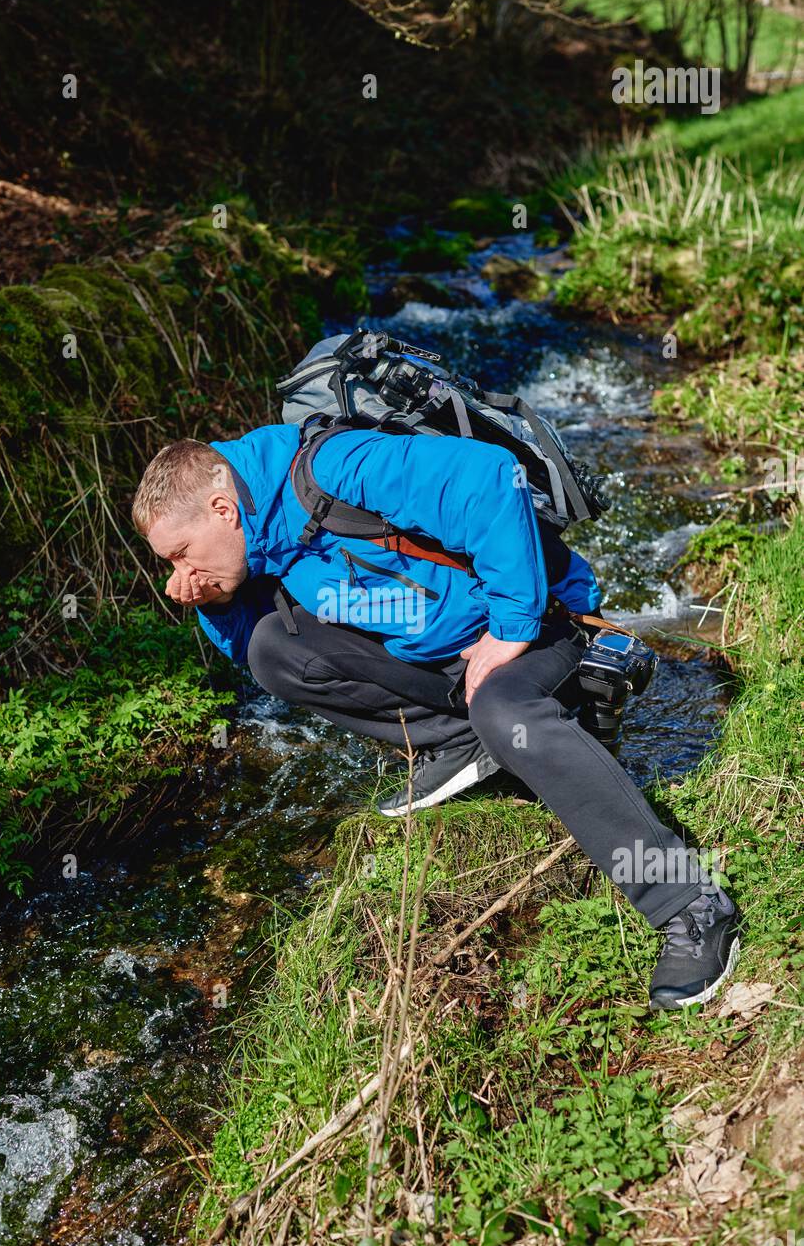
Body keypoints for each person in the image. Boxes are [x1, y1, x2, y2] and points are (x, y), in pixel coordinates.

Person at [131, 425, 741, 1011]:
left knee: (504, 708)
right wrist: (219, 601)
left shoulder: (335, 468)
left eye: (181, 555)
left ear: (223, 508)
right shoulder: (263, 536)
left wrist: (512, 628)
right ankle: (459, 743)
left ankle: (690, 903)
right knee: (272, 648)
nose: (176, 580)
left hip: (544, 622)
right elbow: (252, 651)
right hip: (448, 656)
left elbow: (490, 479)